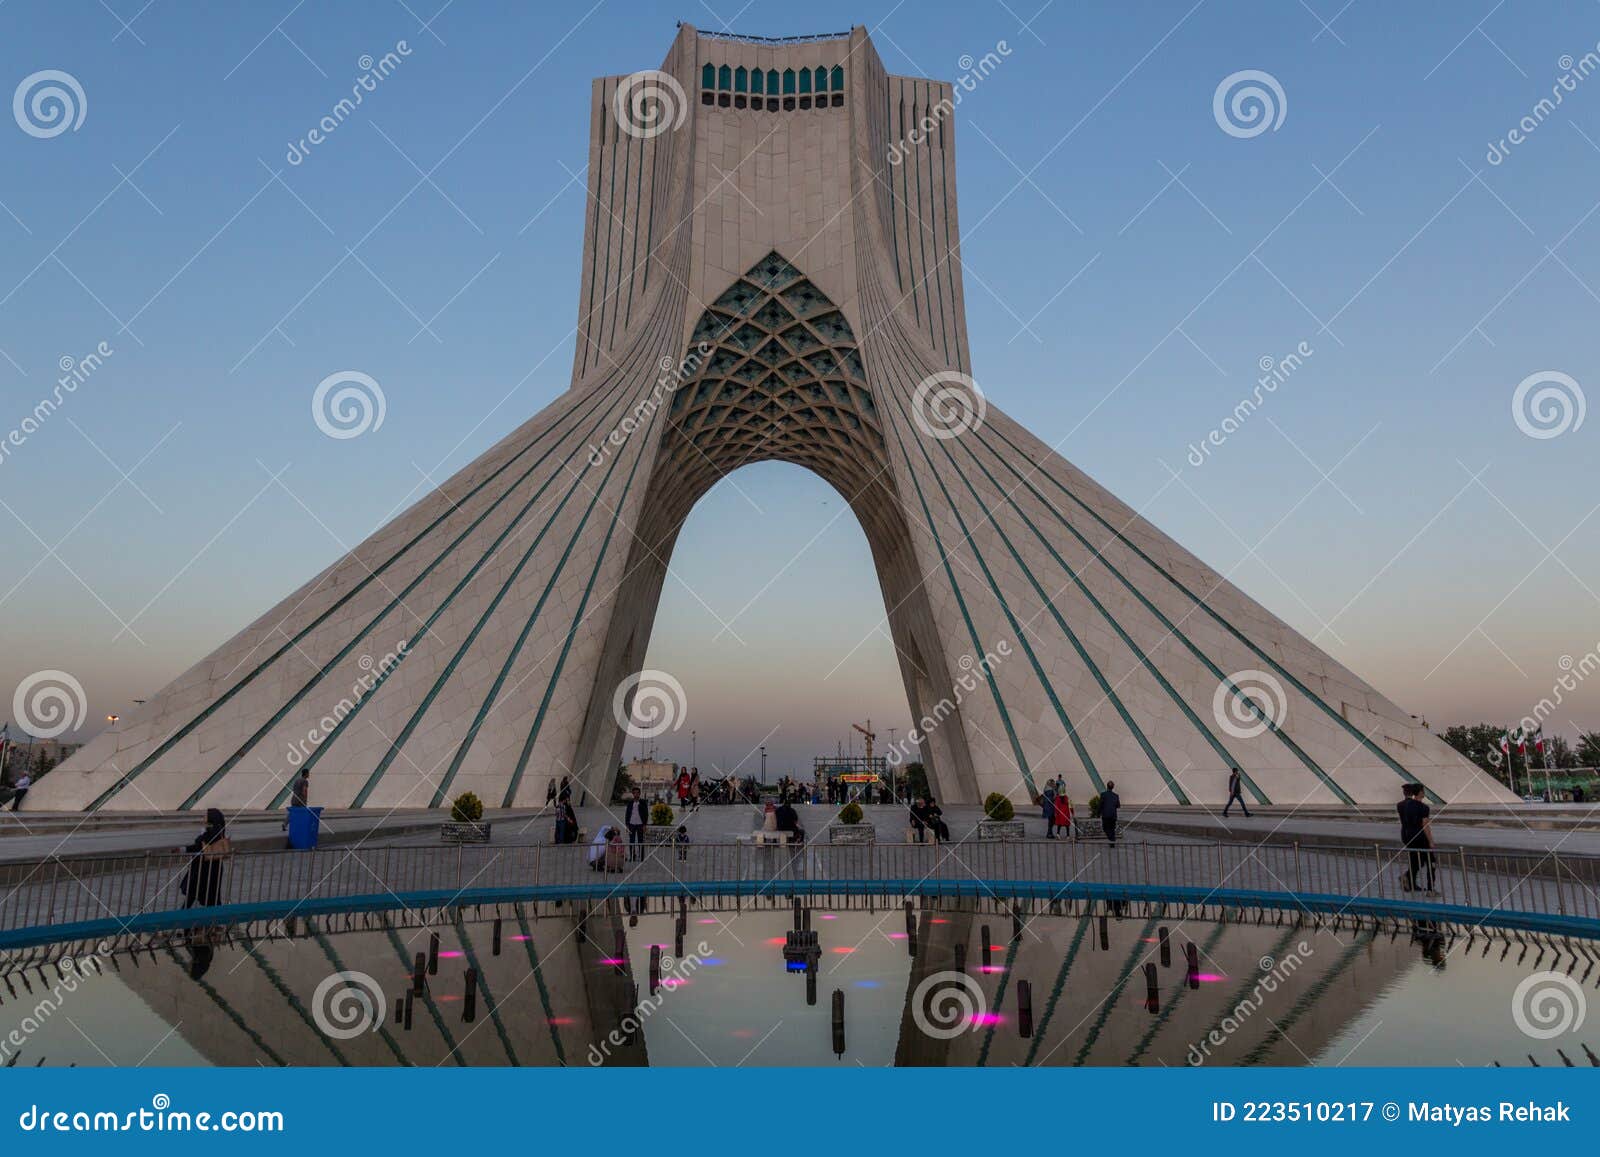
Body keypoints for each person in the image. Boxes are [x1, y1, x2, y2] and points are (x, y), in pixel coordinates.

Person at [181, 808, 231, 908]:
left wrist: (185, 848)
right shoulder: (214, 830)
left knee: (198, 892)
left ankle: (182, 914)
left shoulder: (213, 832)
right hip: (207, 867)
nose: (203, 817)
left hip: (206, 868)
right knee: (207, 895)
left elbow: (200, 845)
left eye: (205, 815)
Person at [1397, 782, 1435, 893]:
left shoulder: (1403, 805)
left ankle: (1410, 881)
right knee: (1430, 862)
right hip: (1421, 837)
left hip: (1407, 835)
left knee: (1415, 860)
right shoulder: (1424, 807)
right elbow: (1425, 825)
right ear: (1421, 792)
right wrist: (1431, 841)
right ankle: (1430, 889)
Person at [623, 787, 649, 861]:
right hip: (631, 824)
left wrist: (645, 825)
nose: (636, 794)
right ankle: (632, 856)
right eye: (634, 793)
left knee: (641, 841)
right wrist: (627, 825)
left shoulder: (643, 802)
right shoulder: (630, 803)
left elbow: (646, 814)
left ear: (639, 794)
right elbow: (627, 814)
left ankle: (641, 856)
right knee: (632, 841)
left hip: (640, 824)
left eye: (637, 793)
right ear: (633, 794)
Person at [1099, 781, 1120, 846]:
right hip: (1113, 815)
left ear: (1107, 786)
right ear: (1113, 787)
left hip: (1105, 815)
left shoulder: (1103, 794)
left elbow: (1101, 804)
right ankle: (1112, 842)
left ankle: (1112, 840)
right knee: (1112, 829)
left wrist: (1099, 813)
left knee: (1105, 828)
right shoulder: (1116, 795)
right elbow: (1118, 805)